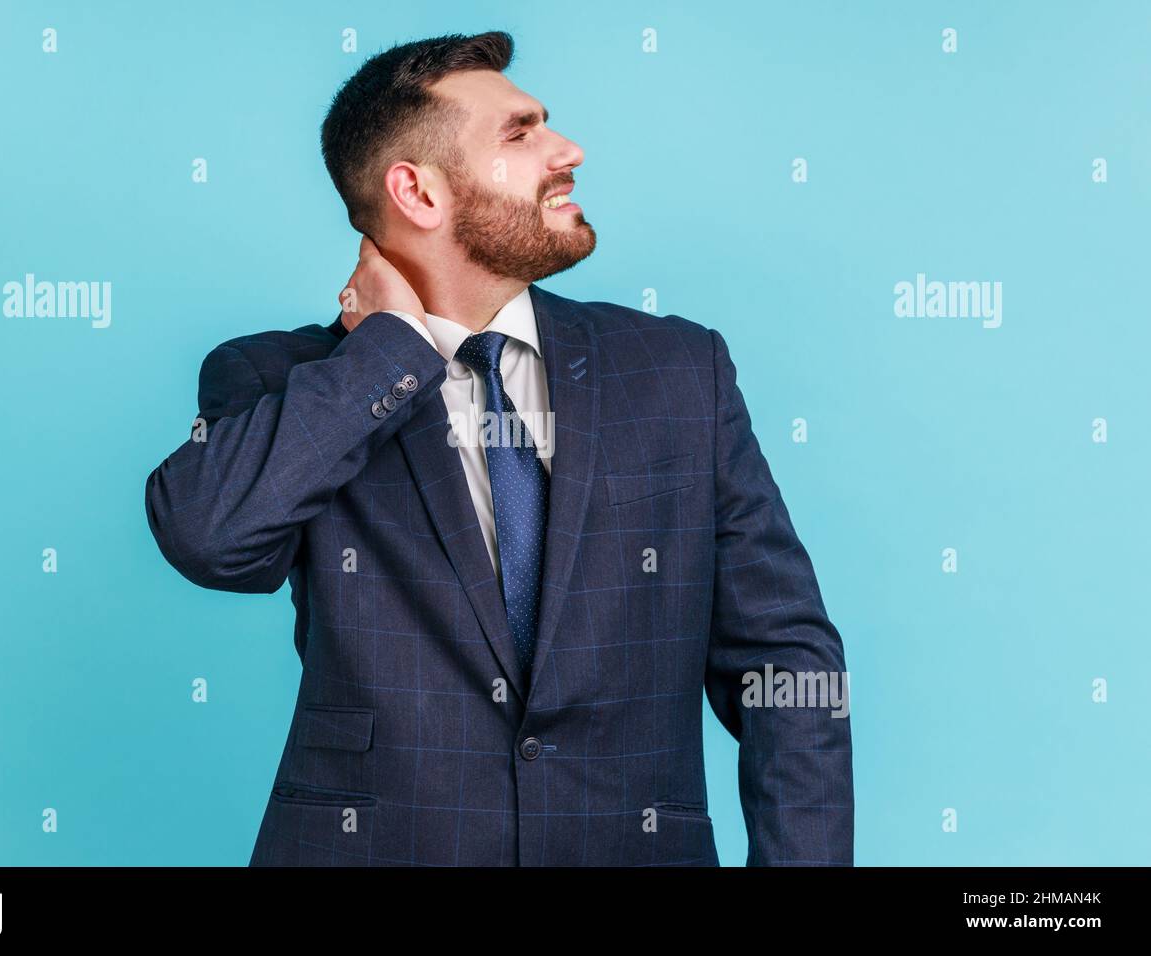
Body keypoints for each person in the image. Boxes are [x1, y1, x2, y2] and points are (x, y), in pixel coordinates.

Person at [144, 30, 853, 866]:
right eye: (520, 133)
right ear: (418, 191)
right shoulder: (283, 377)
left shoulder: (676, 371)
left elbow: (785, 661)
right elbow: (212, 540)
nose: (569, 150)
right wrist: (393, 346)